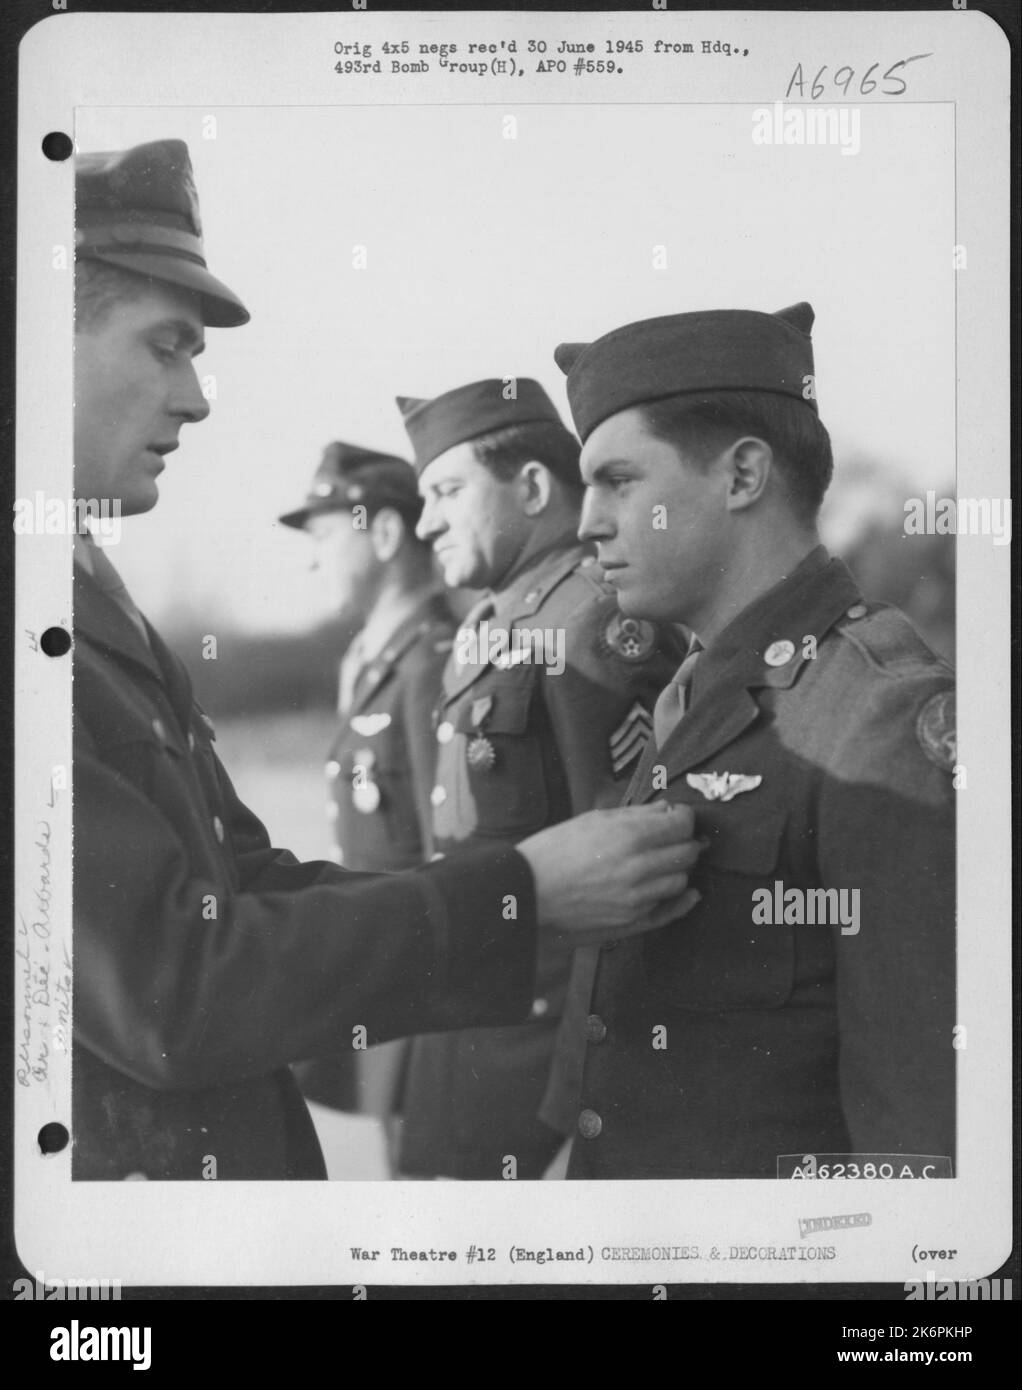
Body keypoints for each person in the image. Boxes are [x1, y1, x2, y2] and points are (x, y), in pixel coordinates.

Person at [70, 139, 703, 1181]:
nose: (197, 396)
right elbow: (172, 986)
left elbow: (245, 882)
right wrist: (515, 897)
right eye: (166, 345)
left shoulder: (97, 603)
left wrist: (511, 900)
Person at [548, 301, 956, 1179]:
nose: (587, 522)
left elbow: (917, 1128)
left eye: (620, 481)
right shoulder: (695, 687)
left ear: (741, 477)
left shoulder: (875, 716)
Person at [393, 379, 686, 1179]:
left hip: (545, 1063)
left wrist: (578, 1103)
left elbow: (636, 877)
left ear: (530, 486)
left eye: (447, 491)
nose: (426, 522)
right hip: (477, 1032)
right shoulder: (491, 624)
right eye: (421, 498)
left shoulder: (593, 621)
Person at [279, 443, 454, 1124]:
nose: (314, 558)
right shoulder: (369, 657)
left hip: (427, 987)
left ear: (383, 533)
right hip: (390, 970)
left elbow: (450, 848)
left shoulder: (433, 659)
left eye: (324, 535)